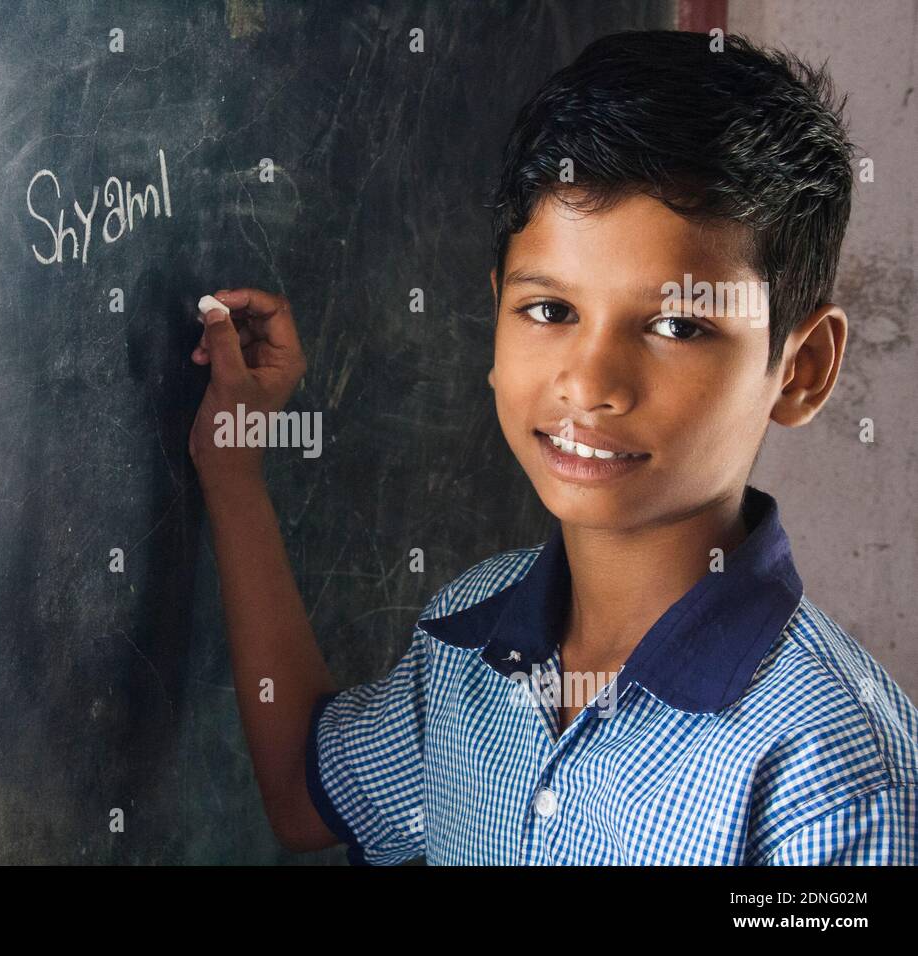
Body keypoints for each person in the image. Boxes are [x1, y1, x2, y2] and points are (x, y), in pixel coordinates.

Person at [186, 30, 917, 864]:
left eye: (677, 325)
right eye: (550, 311)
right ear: (497, 313)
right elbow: (306, 798)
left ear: (801, 370)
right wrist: (233, 464)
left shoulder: (833, 776)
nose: (589, 382)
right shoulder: (470, 642)